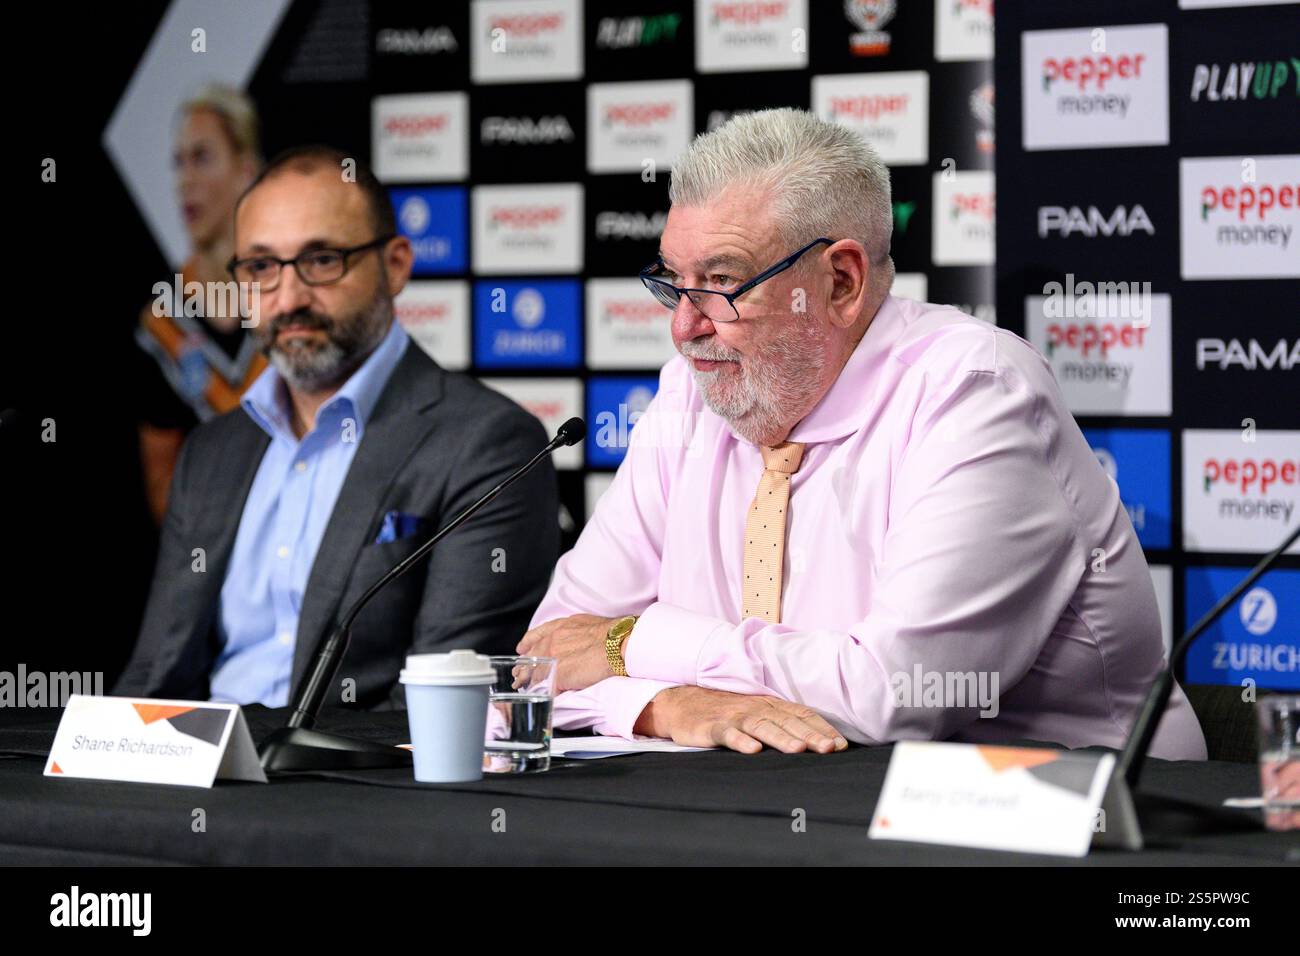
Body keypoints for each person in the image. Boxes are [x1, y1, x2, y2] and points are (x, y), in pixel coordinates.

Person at [517, 109, 1206, 760]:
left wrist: (632, 643)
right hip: (795, 805)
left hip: (1074, 816)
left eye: (721, 283)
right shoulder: (688, 397)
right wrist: (665, 705)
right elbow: (540, 661)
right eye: (676, 283)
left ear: (840, 281)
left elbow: (894, 693)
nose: (684, 327)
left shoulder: (974, 391)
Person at [115, 146, 559, 709]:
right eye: (260, 267)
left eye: (322, 260)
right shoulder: (211, 451)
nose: (289, 297)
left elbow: (445, 711)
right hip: (196, 778)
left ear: (395, 265)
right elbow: (153, 675)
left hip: (356, 789)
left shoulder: (488, 444)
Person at [136, 85, 266, 525]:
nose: (185, 181)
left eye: (202, 158)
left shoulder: (288, 303)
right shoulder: (161, 323)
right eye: (178, 163)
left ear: (245, 170)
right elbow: (161, 482)